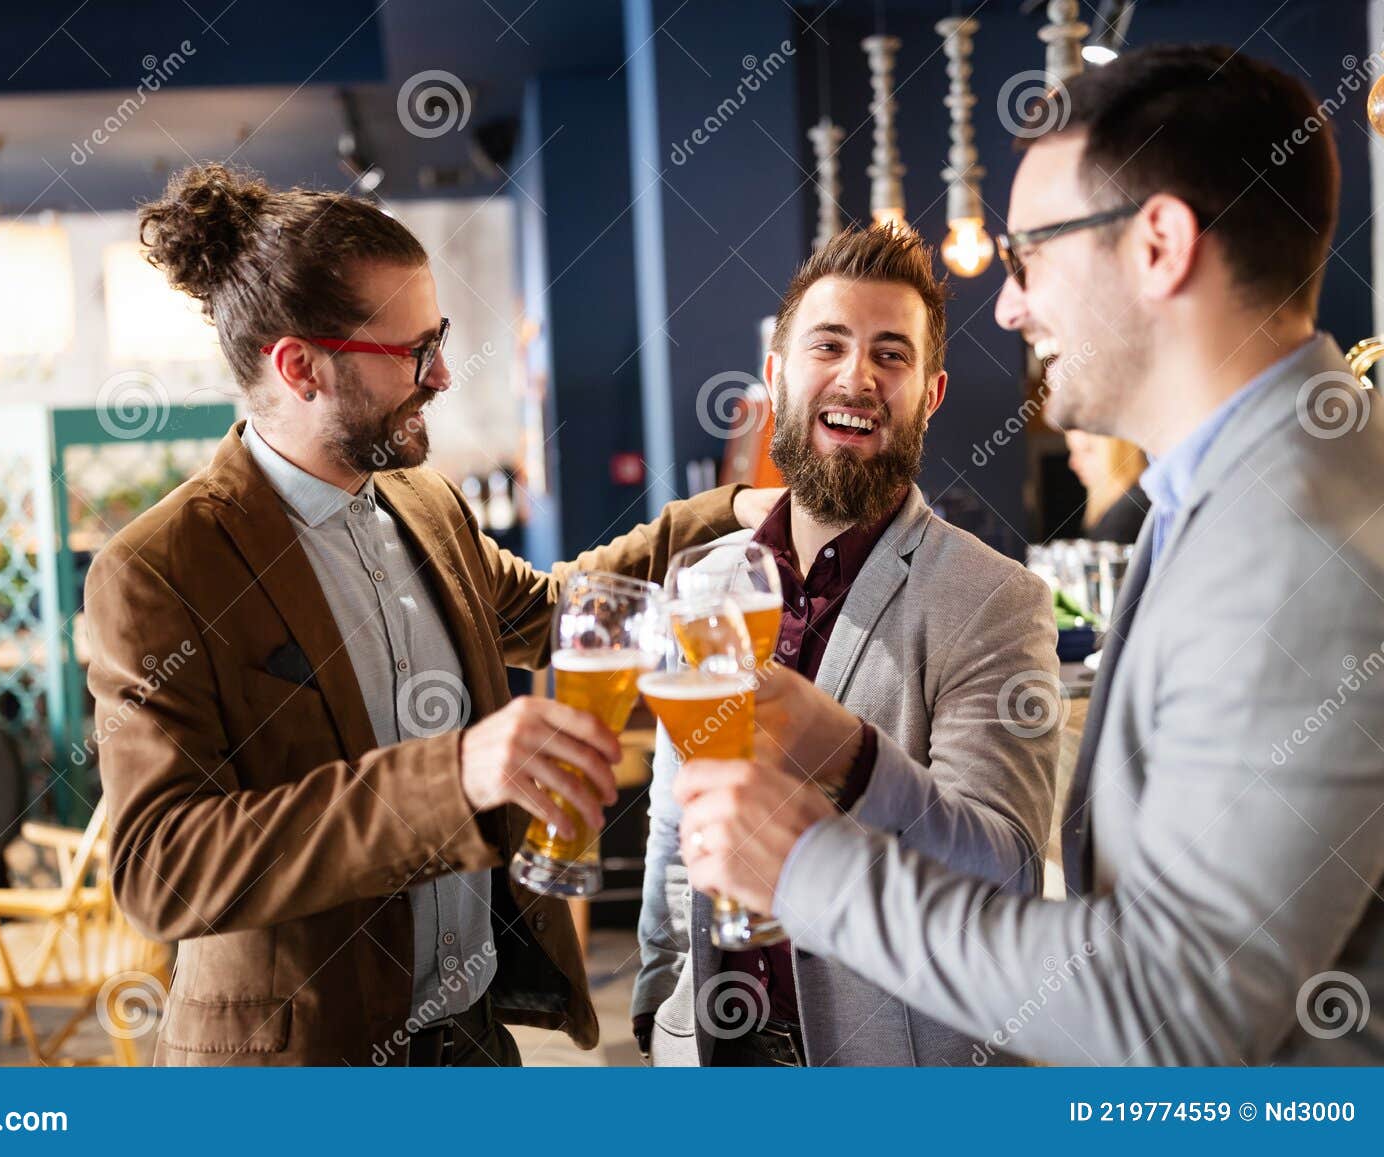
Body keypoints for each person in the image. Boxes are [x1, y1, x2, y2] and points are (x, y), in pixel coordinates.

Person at [674, 45, 1384, 1064]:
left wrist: (799, 867)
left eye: (1029, 255)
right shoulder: (1226, 498)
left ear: (1157, 246)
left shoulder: (1294, 543)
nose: (1009, 307)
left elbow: (1171, 1009)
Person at [83, 163, 777, 1066]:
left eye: (439, 337)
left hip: (472, 1041)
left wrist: (731, 512)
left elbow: (555, 611)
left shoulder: (423, 500)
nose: (444, 373)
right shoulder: (160, 568)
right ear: (300, 367)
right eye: (415, 351)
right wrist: (453, 775)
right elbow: (161, 868)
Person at [635, 224, 1060, 1066]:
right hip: (714, 1053)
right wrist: (656, 1004)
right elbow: (674, 816)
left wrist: (854, 758)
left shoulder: (996, 600)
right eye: (827, 344)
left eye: (891, 356)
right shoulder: (705, 581)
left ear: (929, 395)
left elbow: (1005, 867)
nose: (858, 376)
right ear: (775, 374)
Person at [1065, 430, 1148, 543]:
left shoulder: (1126, 511)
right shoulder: (1119, 505)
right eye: (1073, 451)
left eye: (1086, 450)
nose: (1072, 463)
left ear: (1118, 453)